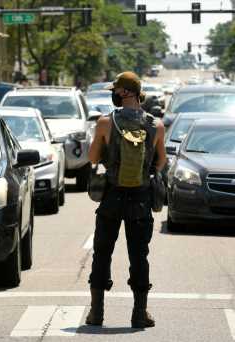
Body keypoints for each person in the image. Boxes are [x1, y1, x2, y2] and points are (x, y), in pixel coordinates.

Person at [86, 71, 166, 328]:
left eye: (116, 89)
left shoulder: (105, 122)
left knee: (102, 253)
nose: (114, 93)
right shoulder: (156, 125)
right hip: (140, 198)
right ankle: (139, 313)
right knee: (139, 256)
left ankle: (96, 313)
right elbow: (161, 161)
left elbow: (93, 158)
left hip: (112, 196)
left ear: (125, 92)